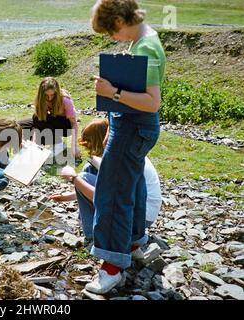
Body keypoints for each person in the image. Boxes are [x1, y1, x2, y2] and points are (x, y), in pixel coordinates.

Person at [80, 0, 167, 294]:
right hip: (128, 127)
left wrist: (112, 93)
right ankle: (133, 242)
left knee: (112, 193)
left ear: (119, 21)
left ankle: (112, 268)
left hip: (134, 128)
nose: (112, 38)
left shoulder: (145, 48)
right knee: (132, 185)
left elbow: (152, 102)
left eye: (110, 32)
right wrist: (113, 124)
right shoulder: (145, 39)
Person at [50, 119, 162, 248]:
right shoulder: (121, 151)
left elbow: (101, 197)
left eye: (89, 145)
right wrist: (67, 197)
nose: (88, 150)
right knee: (88, 169)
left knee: (82, 177)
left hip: (140, 218)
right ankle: (100, 229)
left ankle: (94, 238)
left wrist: (74, 178)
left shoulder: (117, 161)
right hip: (140, 212)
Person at [18, 77, 80, 158]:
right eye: (46, 95)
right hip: (51, 121)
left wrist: (74, 146)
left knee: (36, 118)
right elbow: (37, 123)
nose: (50, 98)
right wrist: (34, 144)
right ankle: (34, 146)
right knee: (19, 125)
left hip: (65, 126)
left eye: (52, 95)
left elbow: (74, 124)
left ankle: (58, 144)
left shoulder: (65, 100)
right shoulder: (40, 100)